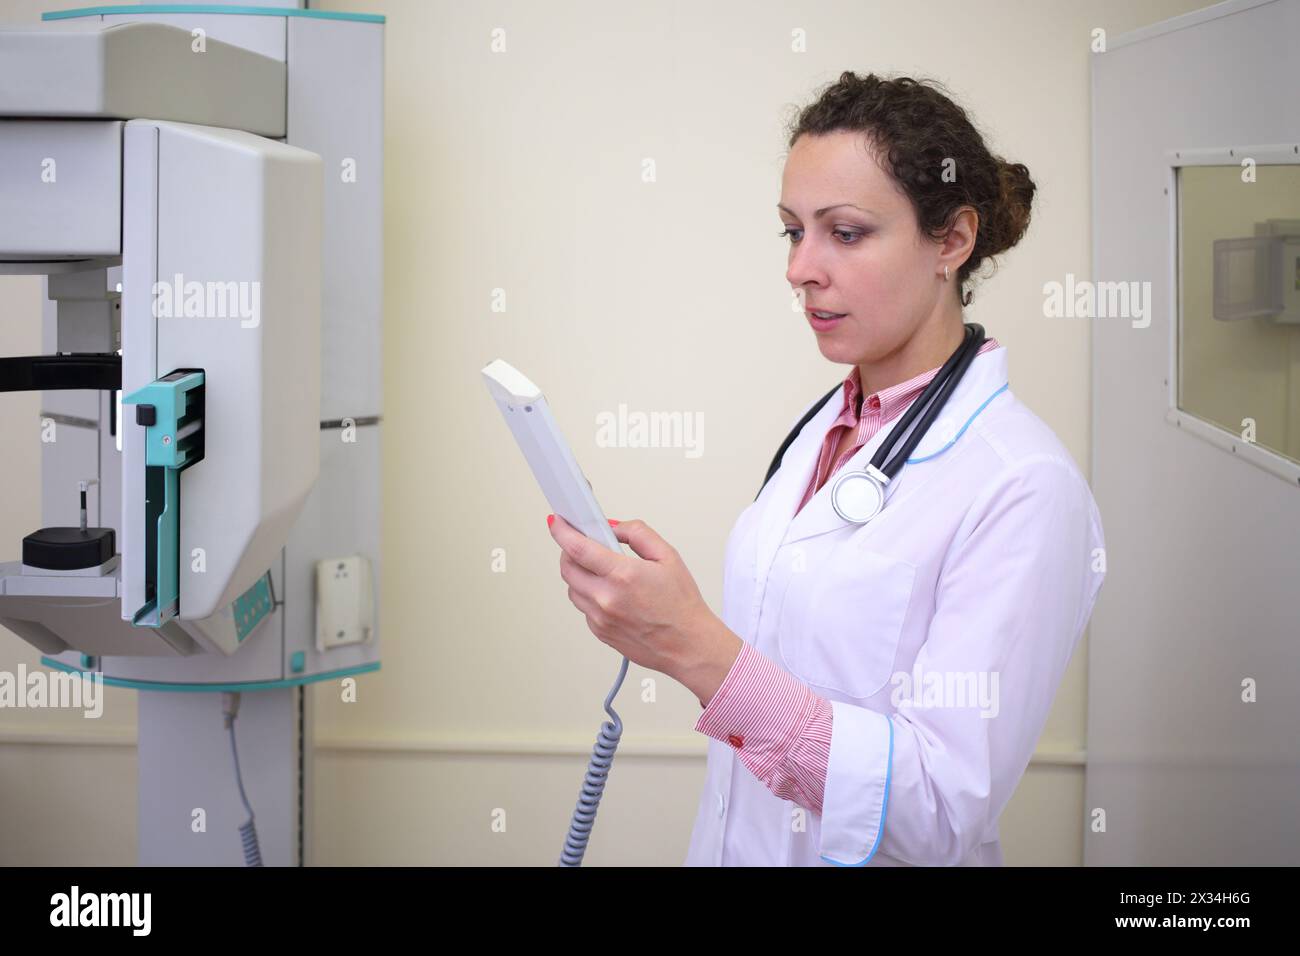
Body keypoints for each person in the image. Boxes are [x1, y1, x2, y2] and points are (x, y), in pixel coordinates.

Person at [546, 71, 1105, 866]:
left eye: (843, 233)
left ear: (951, 240)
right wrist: (660, 614)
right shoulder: (826, 430)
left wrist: (693, 646)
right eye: (792, 231)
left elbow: (942, 812)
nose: (800, 268)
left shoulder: (1023, 488)